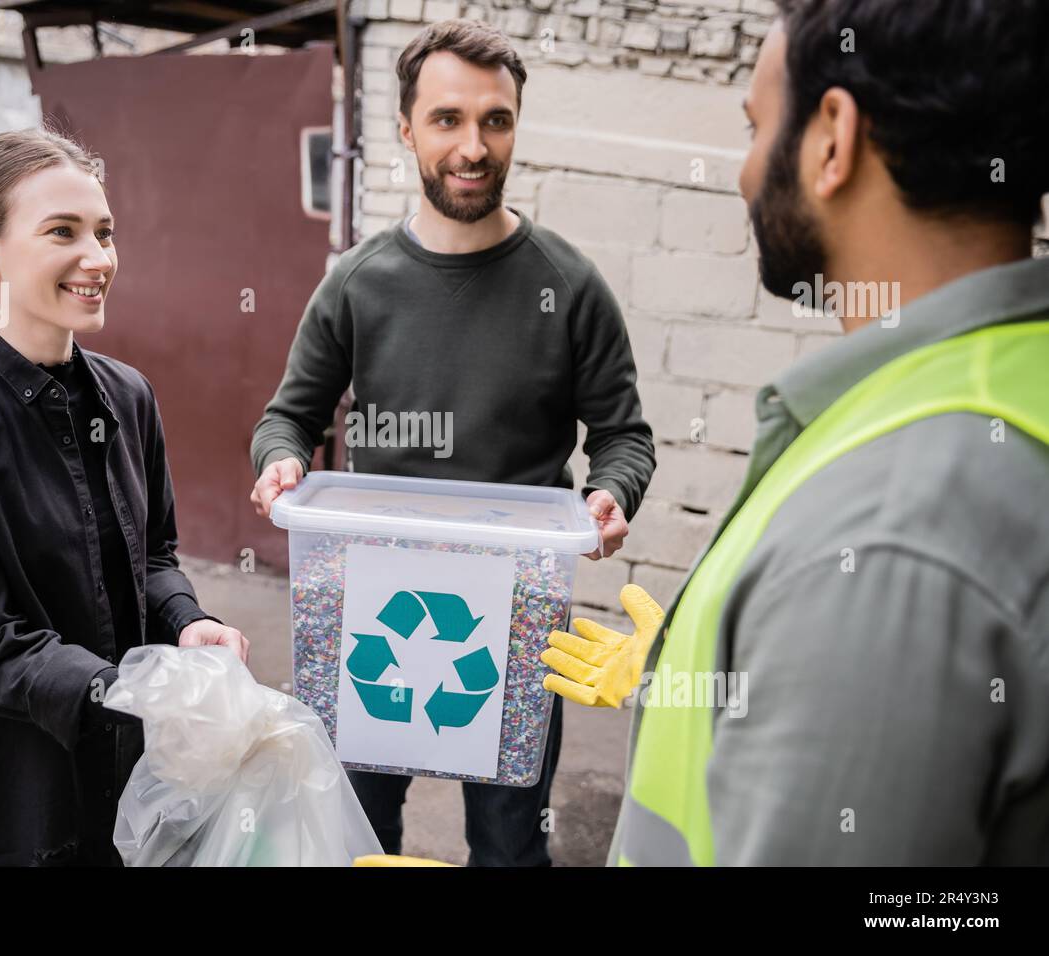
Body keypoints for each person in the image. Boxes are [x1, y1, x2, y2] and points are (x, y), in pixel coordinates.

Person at [543, 0, 1049, 865]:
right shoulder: (984, 388)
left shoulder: (891, 529)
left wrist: (822, 624)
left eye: (754, 128)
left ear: (831, 140)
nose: (744, 171)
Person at [250, 19, 656, 866]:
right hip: (371, 603)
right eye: (447, 120)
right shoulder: (358, 285)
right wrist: (281, 459)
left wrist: (612, 491)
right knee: (357, 839)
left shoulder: (569, 286)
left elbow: (622, 434)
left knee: (511, 845)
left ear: (514, 125)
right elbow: (290, 415)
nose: (473, 146)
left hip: (519, 610)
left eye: (495, 121)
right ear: (406, 128)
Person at [0, 127, 249, 867]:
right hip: (13, 809)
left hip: (136, 789)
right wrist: (119, 691)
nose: (99, 259)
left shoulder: (128, 396)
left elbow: (154, 557)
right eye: (63, 232)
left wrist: (186, 620)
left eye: (105, 232)